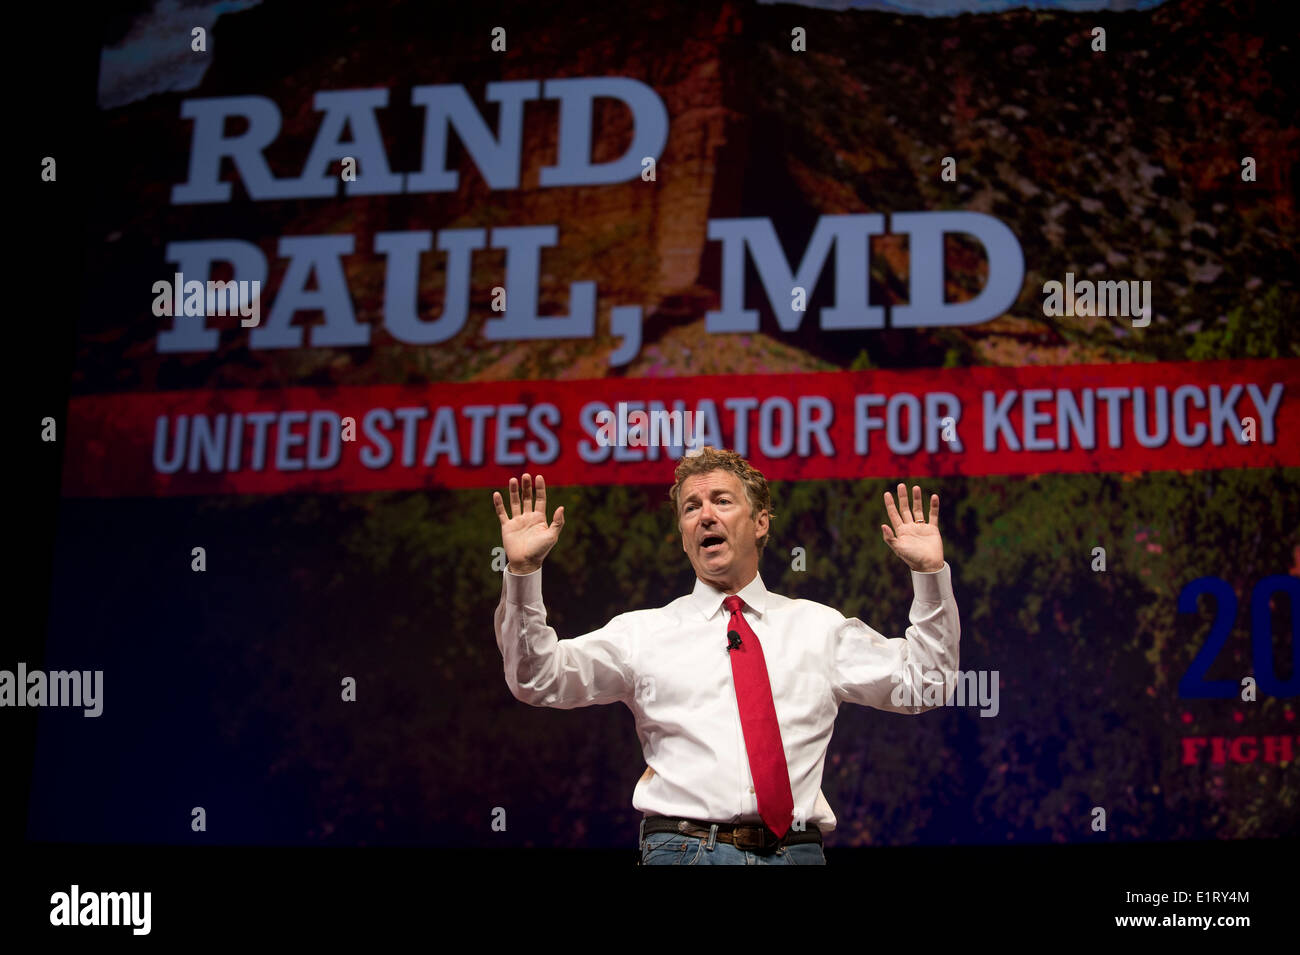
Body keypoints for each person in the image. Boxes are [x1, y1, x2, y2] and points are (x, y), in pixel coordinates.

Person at [492, 446, 960, 865]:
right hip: (681, 849)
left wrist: (930, 574)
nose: (705, 516)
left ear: (760, 522)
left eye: (721, 500)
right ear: (682, 535)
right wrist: (523, 571)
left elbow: (927, 684)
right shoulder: (644, 633)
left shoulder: (819, 628)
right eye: (691, 508)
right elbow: (538, 679)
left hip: (795, 852)